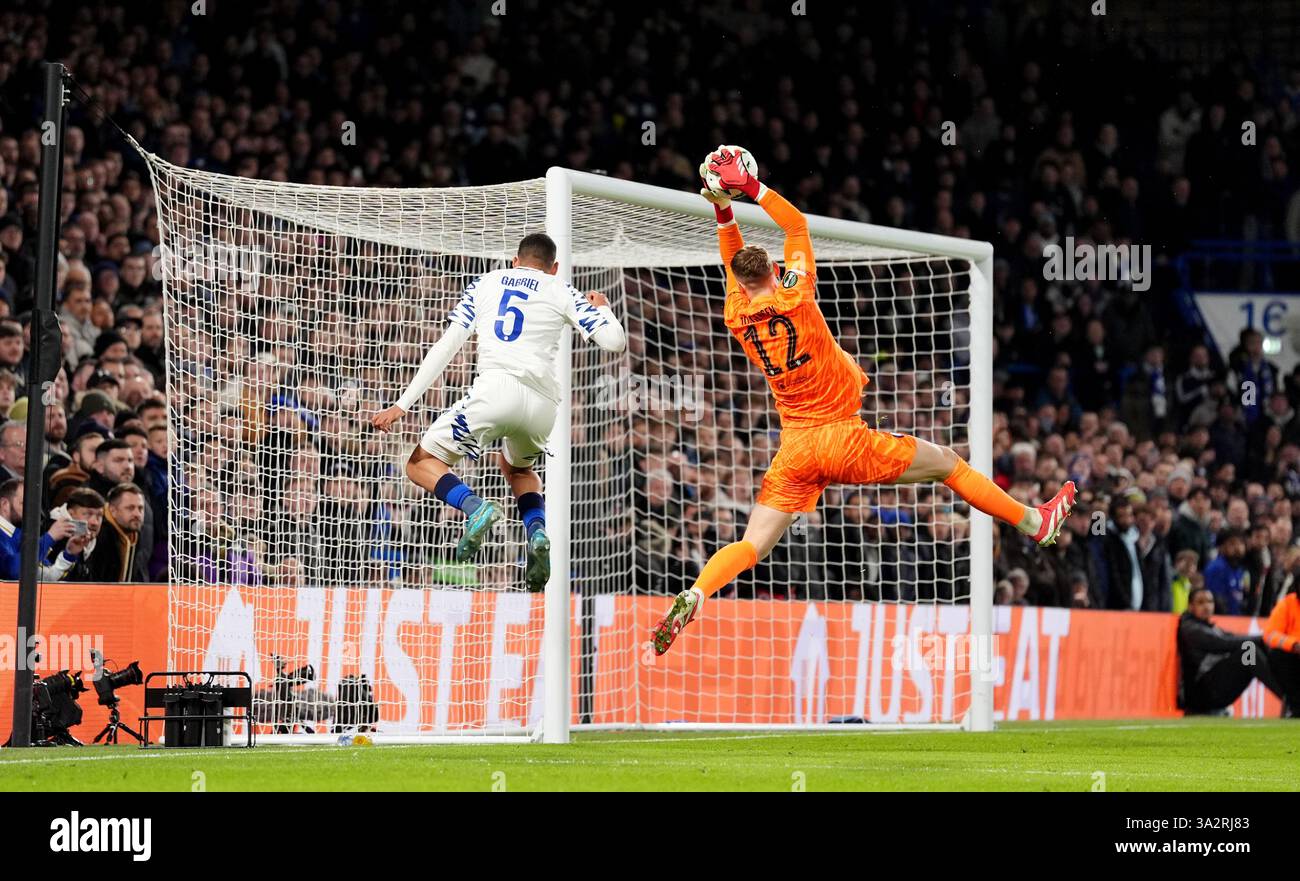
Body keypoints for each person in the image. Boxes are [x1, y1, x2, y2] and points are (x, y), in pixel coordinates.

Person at [652, 149, 1077, 654]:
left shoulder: (737, 314)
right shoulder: (797, 295)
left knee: (751, 546)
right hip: (841, 435)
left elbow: (733, 257)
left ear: (741, 285)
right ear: (776, 270)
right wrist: (749, 188)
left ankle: (697, 592)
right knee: (947, 464)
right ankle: (1034, 522)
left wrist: (722, 210)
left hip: (795, 450)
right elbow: (795, 226)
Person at [371, 232, 627, 590]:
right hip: (542, 406)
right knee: (519, 469)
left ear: (515, 261)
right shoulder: (562, 289)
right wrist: (603, 308)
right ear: (553, 268)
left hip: (494, 393)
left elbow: (447, 346)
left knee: (418, 464)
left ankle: (475, 507)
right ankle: (536, 531)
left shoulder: (486, 282)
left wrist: (403, 404)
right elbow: (615, 342)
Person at [1178, 587, 1284, 714]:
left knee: (1257, 649)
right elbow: (1222, 642)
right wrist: (1261, 639)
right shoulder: (1190, 628)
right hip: (1202, 693)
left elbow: (1231, 637)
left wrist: (1263, 641)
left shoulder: (1209, 627)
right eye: (1200, 602)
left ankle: (1290, 696)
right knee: (1249, 652)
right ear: (1190, 606)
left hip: (1213, 688)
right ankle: (1289, 700)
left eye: (1210, 602)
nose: (1206, 606)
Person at [0, 478, 90, 580]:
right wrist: (50, 537)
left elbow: (45, 577)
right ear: (4, 504)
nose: (31, 510)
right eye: (24, 503)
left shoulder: (20, 535)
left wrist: (68, 555)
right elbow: (15, 572)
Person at [84, 483, 148, 582]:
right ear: (113, 511)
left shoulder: (134, 534)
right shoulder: (100, 536)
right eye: (130, 508)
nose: (137, 514)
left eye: (140, 508)